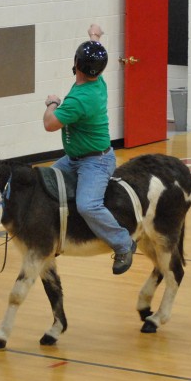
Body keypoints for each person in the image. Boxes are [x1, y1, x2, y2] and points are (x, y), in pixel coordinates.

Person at [44, 24, 136, 274]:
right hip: (74, 158)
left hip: (95, 162)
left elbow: (49, 124)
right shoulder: (97, 80)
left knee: (88, 205)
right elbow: (98, 53)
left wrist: (52, 104)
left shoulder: (80, 100)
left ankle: (124, 244)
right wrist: (94, 36)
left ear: (76, 65)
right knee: (45, 187)